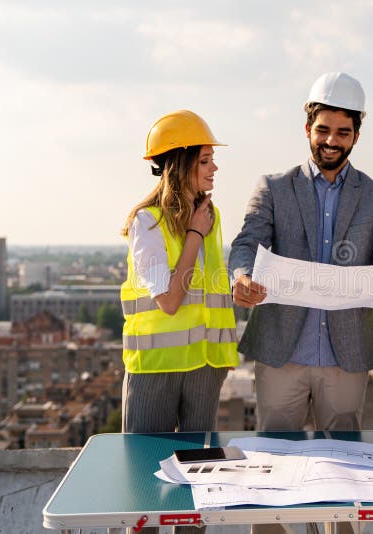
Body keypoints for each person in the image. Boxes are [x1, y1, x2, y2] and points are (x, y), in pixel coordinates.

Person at [229, 72, 373, 435]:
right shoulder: (273, 188)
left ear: (356, 137)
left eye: (343, 133)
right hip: (281, 352)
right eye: (323, 130)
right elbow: (246, 242)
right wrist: (241, 275)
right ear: (307, 129)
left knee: (344, 459)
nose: (331, 141)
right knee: (276, 455)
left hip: (346, 358)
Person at [120, 109, 238, 439]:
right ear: (180, 163)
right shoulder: (147, 222)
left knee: (201, 467)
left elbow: (212, 292)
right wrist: (194, 234)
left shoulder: (210, 217)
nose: (214, 168)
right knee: (144, 466)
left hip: (204, 368)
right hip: (156, 369)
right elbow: (170, 301)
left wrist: (221, 359)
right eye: (204, 160)